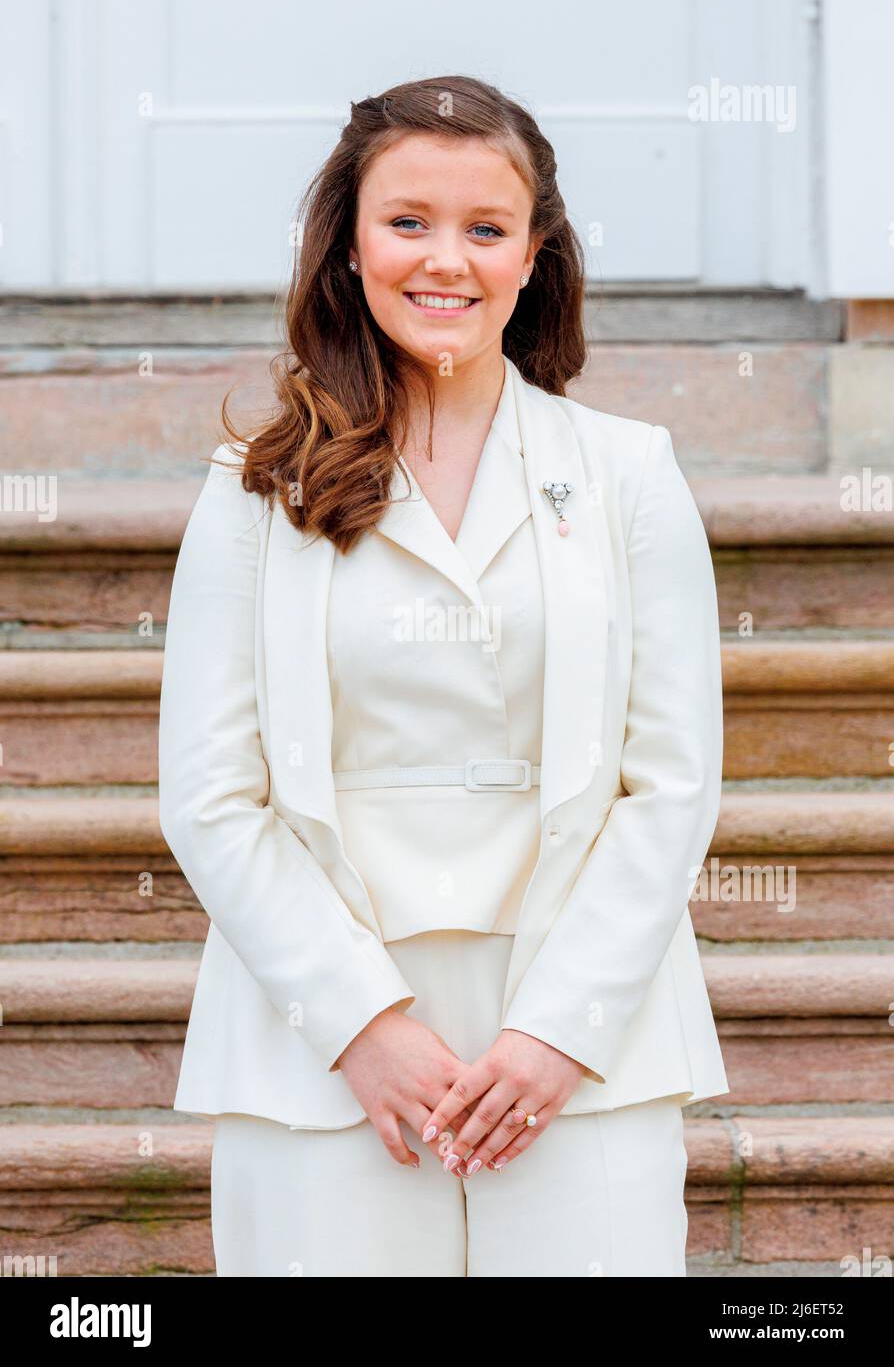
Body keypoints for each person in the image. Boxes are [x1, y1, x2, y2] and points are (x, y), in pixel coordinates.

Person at [158, 73, 729, 1278]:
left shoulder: (630, 474)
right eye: (407, 221)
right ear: (349, 249)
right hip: (318, 1039)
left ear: (535, 255)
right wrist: (361, 1023)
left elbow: (671, 782)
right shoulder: (255, 487)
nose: (446, 262)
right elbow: (212, 793)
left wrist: (555, 1033)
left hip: (586, 1032)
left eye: (487, 227)